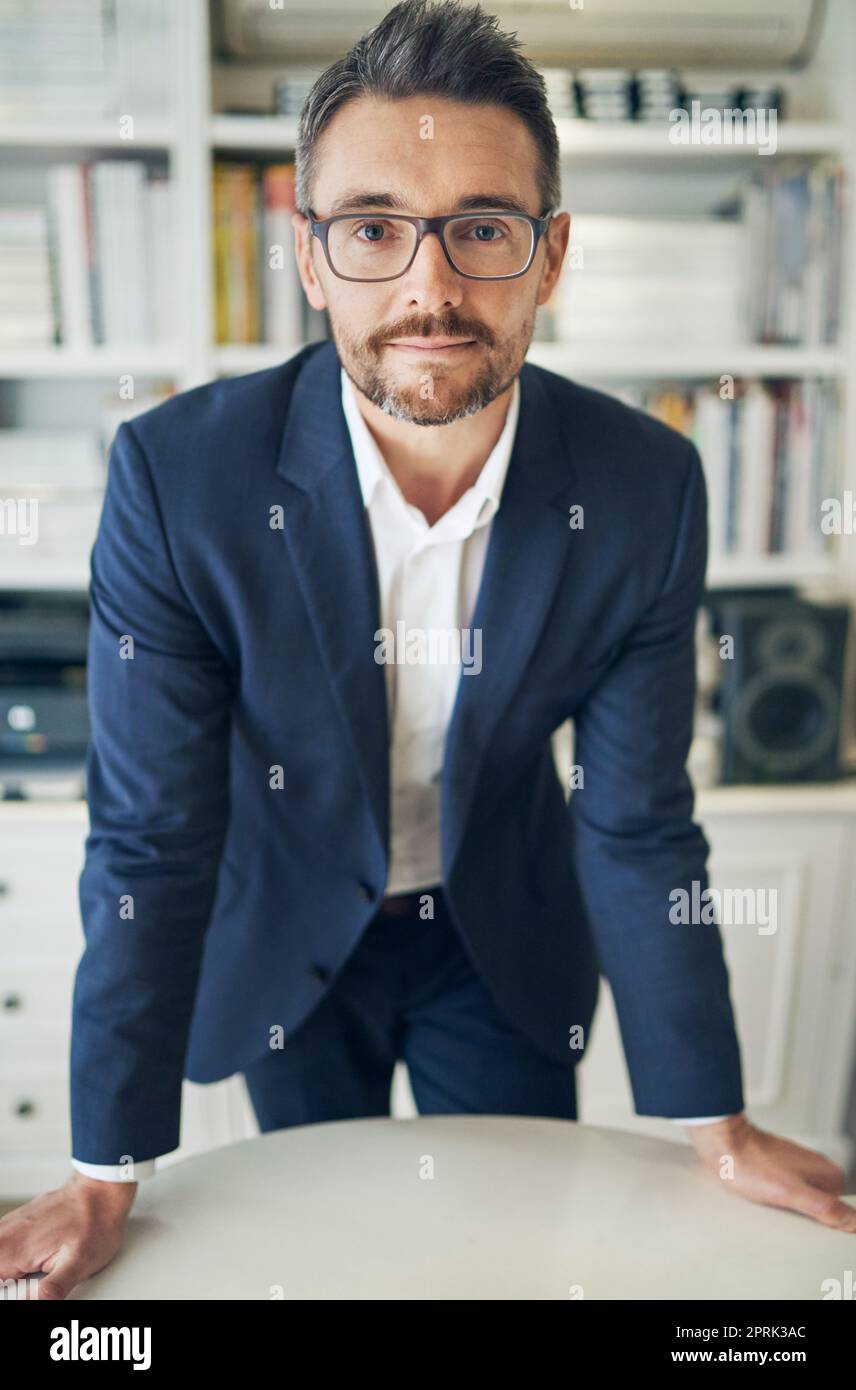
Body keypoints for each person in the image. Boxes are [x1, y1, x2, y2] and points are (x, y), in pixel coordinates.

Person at [2, 0, 852, 1302]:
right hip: (282, 920)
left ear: (551, 255)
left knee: (507, 1261)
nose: (429, 286)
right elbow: (152, 833)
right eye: (376, 227)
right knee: (322, 1253)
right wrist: (104, 1166)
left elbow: (636, 824)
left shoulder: (642, 488)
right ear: (311, 253)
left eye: (482, 229)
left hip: (499, 932)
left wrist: (714, 1120)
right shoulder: (180, 480)